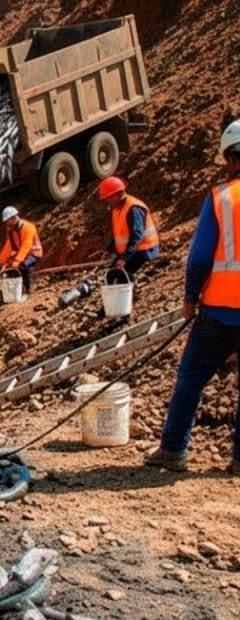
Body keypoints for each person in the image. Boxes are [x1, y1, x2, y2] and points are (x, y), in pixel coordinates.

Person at [146, 120, 240, 473]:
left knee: (191, 376)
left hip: (218, 311)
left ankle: (173, 451)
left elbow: (200, 257)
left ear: (231, 159)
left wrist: (190, 297)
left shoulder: (222, 198)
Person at [98, 175, 161, 282]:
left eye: (109, 197)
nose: (107, 201)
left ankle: (131, 293)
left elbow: (137, 237)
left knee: (123, 276)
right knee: (111, 275)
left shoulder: (133, 209)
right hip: (131, 250)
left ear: (118, 194)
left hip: (144, 249)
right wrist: (109, 250)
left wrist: (124, 258)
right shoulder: (117, 210)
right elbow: (118, 233)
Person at [0, 206, 43, 295]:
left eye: (9, 221)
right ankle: (14, 291)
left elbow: (26, 245)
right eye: (6, 221)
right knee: (10, 268)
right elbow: (9, 245)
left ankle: (28, 290)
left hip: (34, 254)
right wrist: (1, 261)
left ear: (14, 218)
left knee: (25, 266)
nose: (8, 223)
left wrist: (18, 261)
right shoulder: (11, 230)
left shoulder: (28, 228)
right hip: (22, 254)